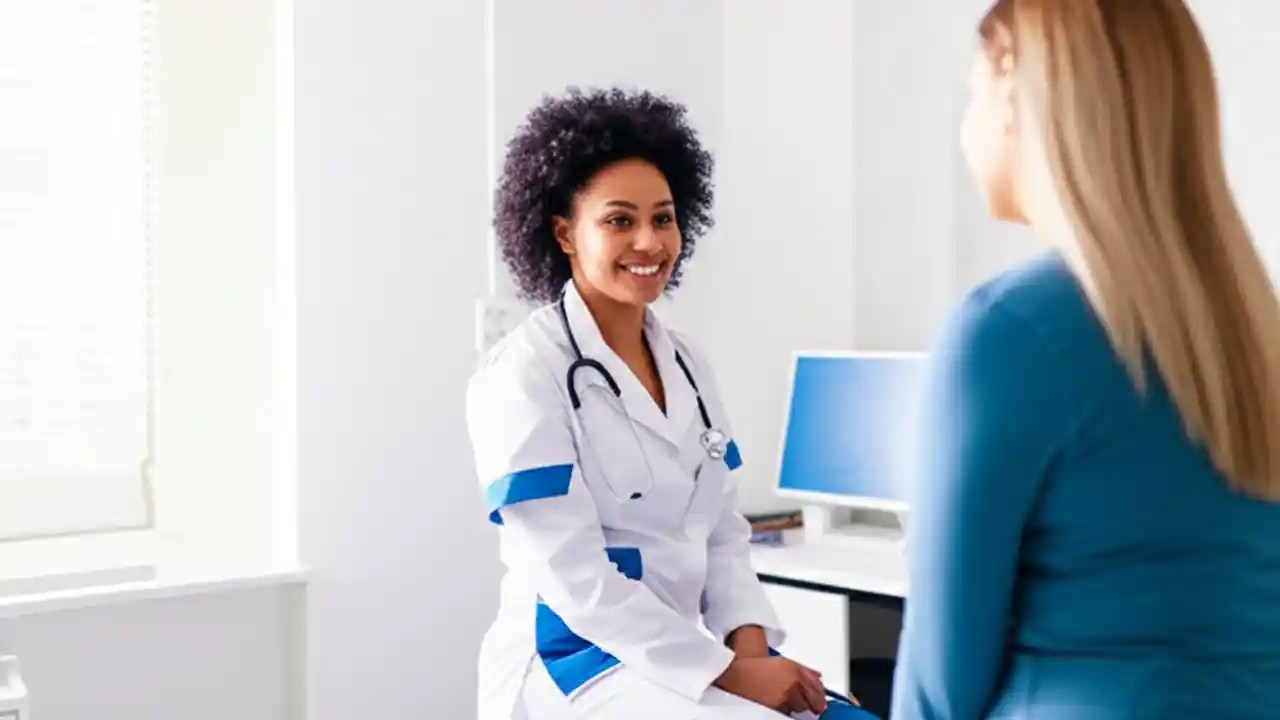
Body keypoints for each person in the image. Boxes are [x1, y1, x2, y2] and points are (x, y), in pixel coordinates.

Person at [892, 1, 1280, 718]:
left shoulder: (1006, 331)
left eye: (972, 93)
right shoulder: (1256, 328)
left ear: (1016, 93)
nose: (966, 124)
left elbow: (940, 687)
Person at [467, 88, 870, 720]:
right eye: (619, 220)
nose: (649, 242)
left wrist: (754, 654)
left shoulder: (686, 362)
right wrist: (732, 674)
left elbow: (723, 535)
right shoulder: (524, 372)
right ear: (564, 233)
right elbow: (577, 581)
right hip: (574, 664)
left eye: (663, 217)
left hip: (682, 656)